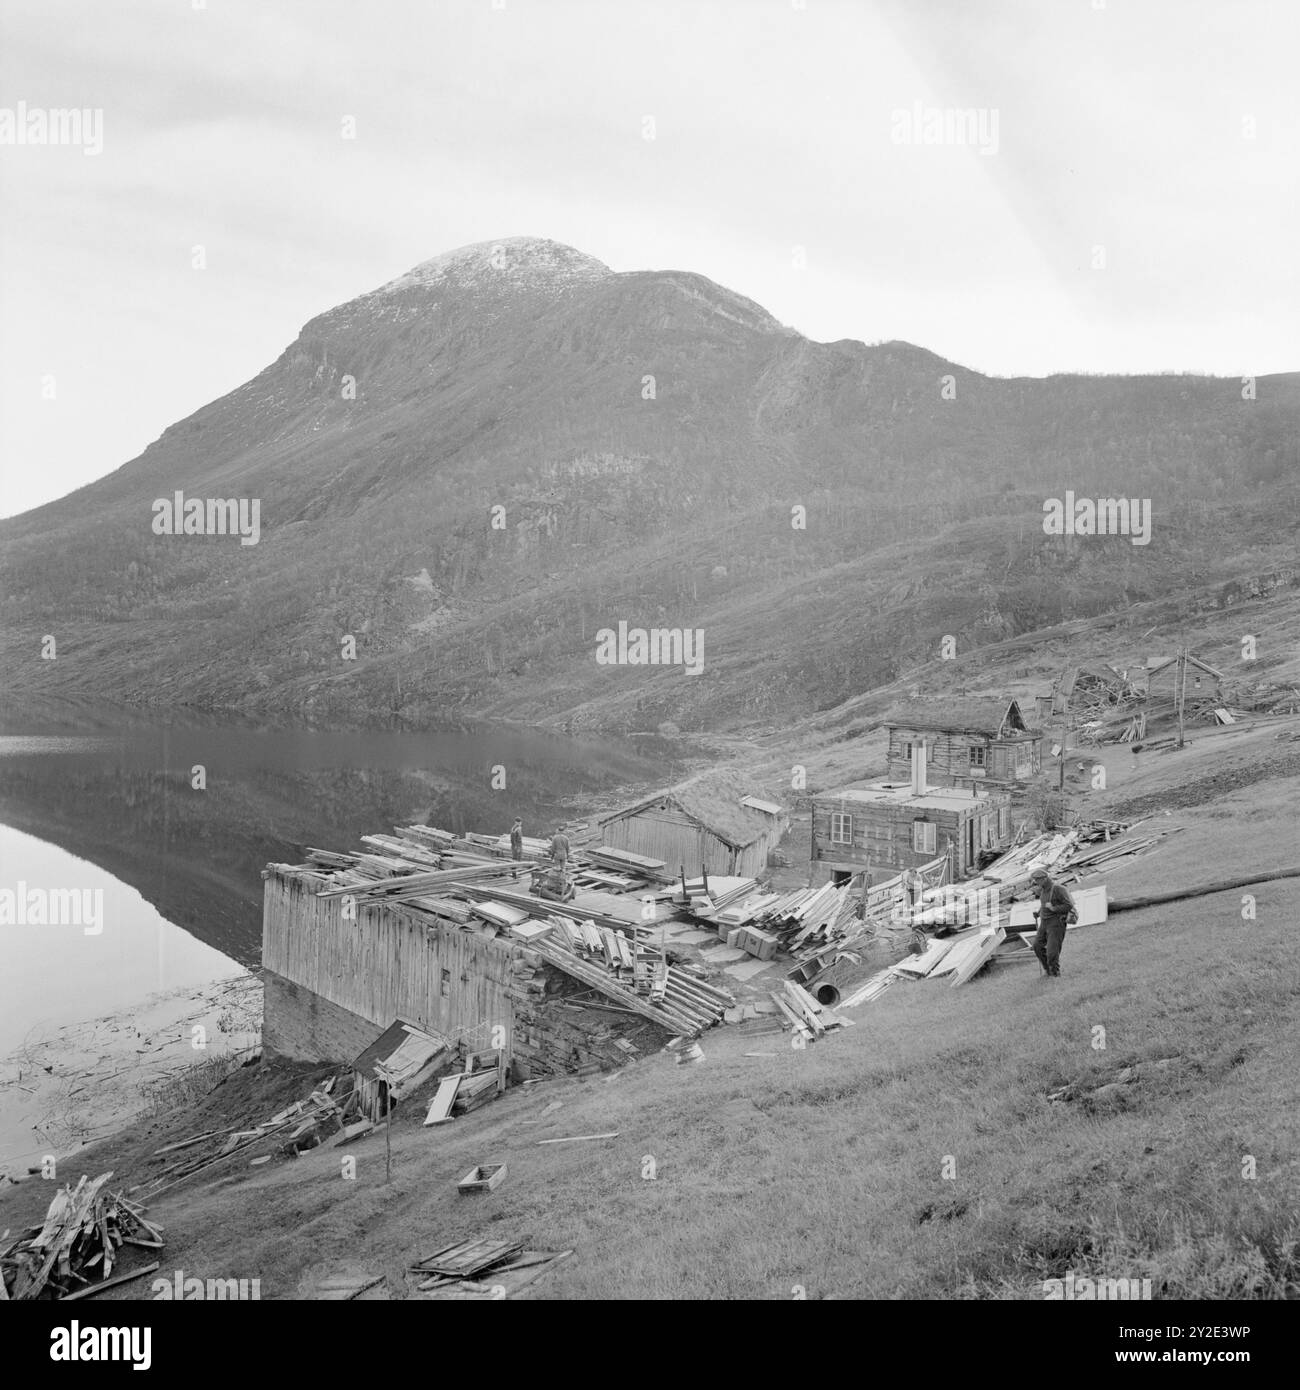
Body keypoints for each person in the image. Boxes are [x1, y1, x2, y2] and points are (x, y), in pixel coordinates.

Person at [1029, 867, 1078, 978]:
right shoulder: (1043, 890)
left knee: (1052, 951)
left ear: (1045, 878)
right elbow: (1044, 904)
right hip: (1044, 922)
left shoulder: (1059, 889)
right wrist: (1038, 912)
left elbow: (1069, 905)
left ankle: (1055, 974)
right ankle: (1048, 970)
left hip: (1056, 923)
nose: (1035, 882)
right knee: (1037, 946)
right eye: (1035, 880)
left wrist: (1054, 909)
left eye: (1037, 880)